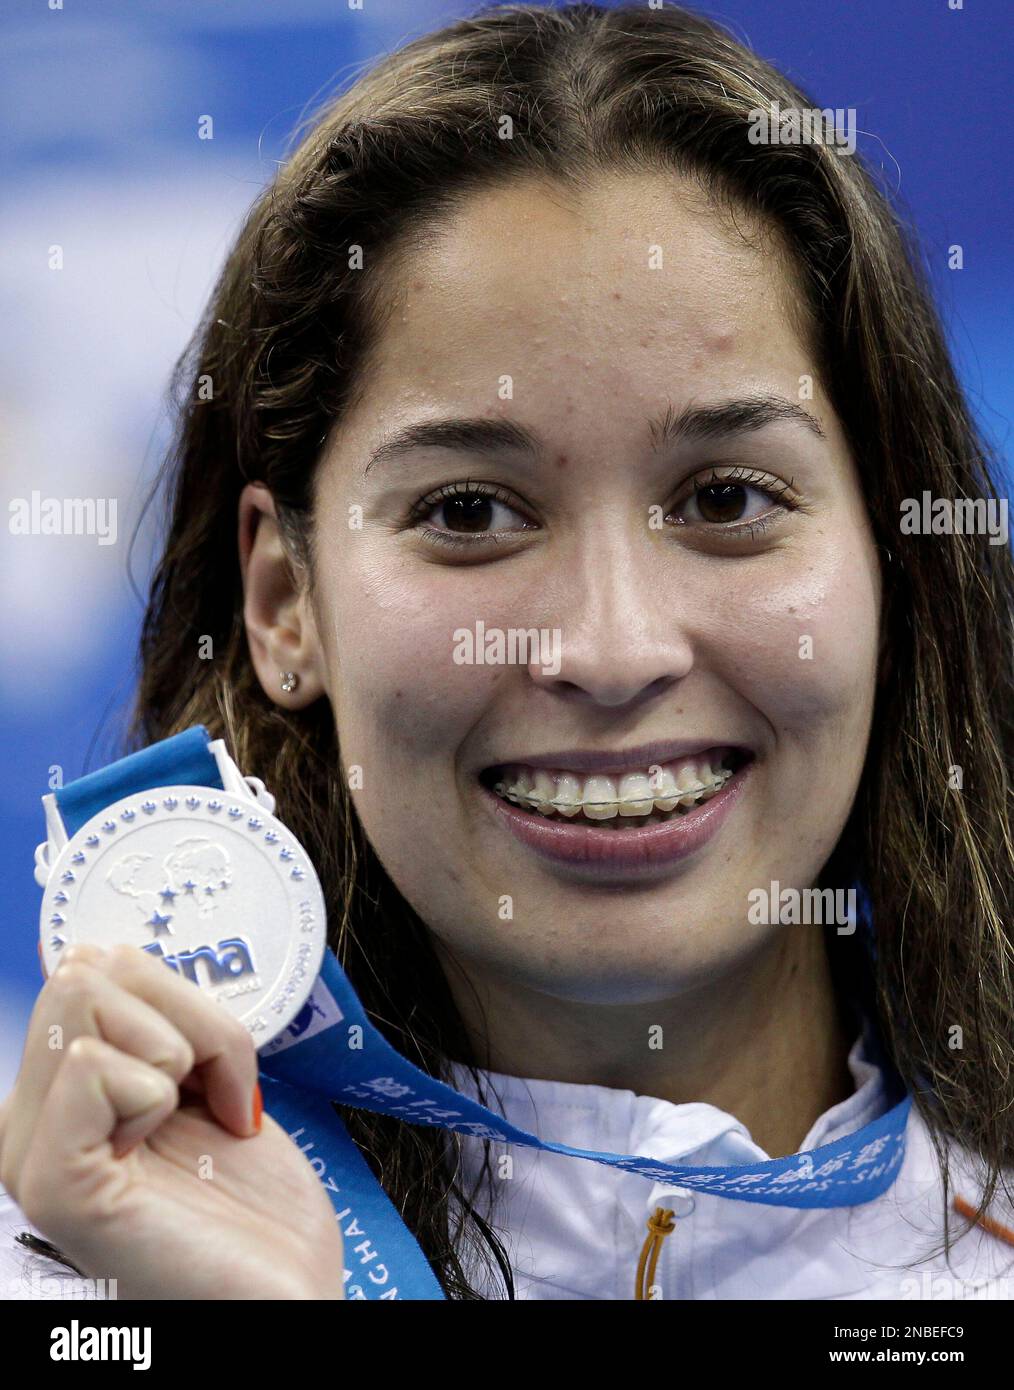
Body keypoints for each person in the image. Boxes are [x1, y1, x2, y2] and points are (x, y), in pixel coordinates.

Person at [1, 1, 1012, 1301]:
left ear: (891, 553)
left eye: (723, 497)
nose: (610, 648)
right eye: (469, 511)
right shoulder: (86, 1283)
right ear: (280, 602)